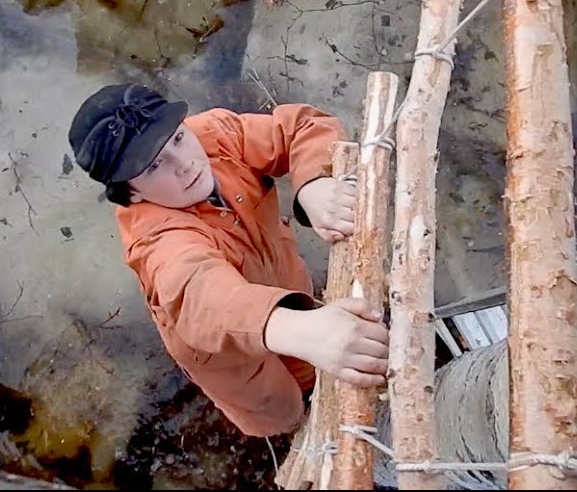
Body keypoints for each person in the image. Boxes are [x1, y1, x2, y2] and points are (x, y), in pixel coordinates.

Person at [67, 83, 390, 437]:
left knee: (308, 364)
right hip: (231, 355)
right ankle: (293, 429)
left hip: (284, 291)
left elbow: (301, 128)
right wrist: (299, 331)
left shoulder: (214, 133)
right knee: (278, 408)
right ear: (131, 193)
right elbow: (200, 296)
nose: (185, 163)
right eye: (154, 165)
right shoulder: (157, 241)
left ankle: (309, 366)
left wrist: (314, 182)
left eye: (176, 139)